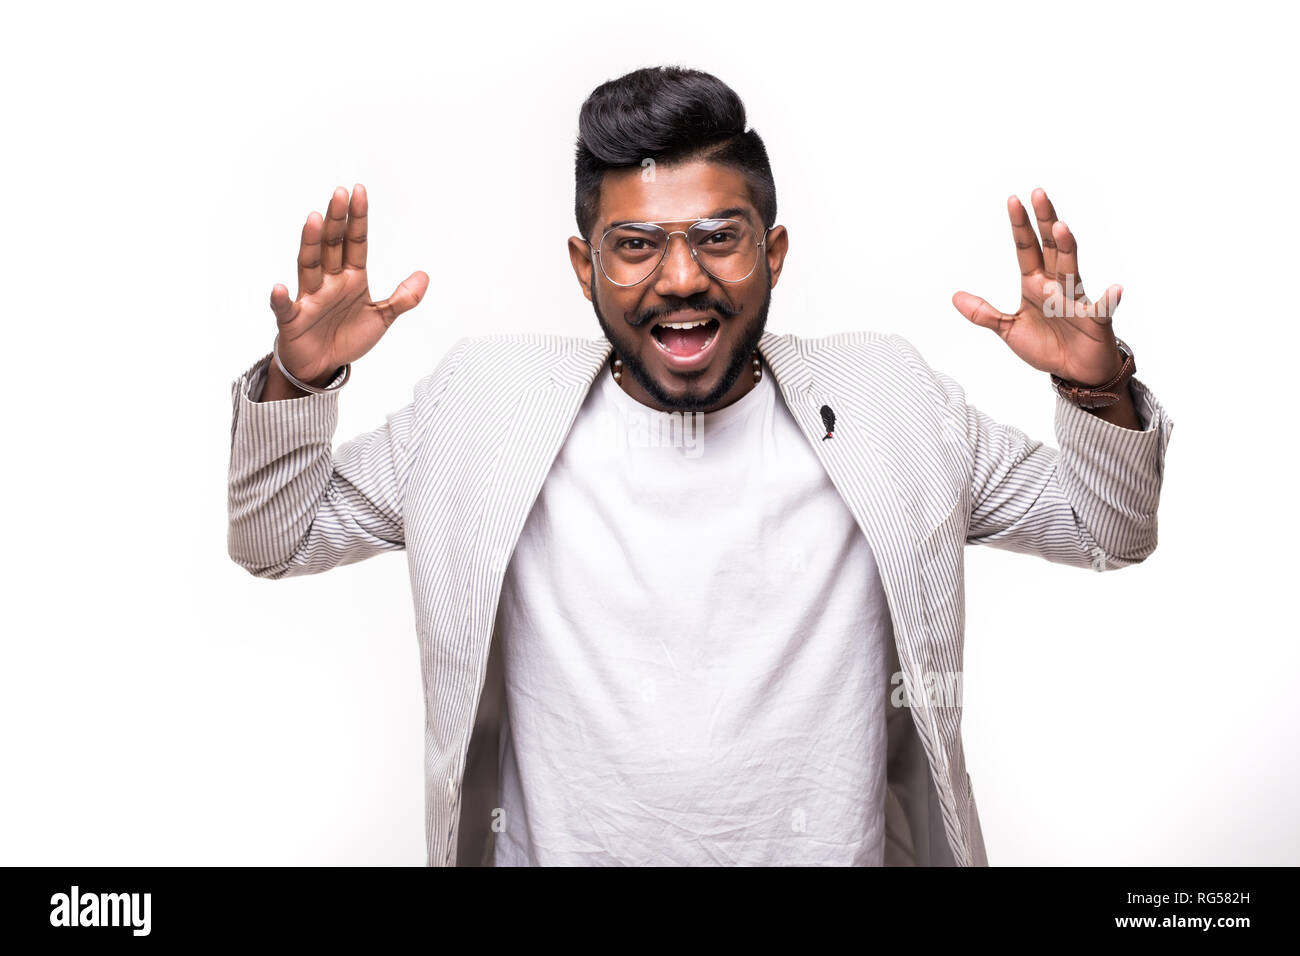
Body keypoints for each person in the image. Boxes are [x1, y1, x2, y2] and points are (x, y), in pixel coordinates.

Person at [227, 65, 1174, 866]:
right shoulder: (481, 410)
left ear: (773, 252)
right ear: (582, 265)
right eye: (634, 246)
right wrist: (301, 379)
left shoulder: (889, 403)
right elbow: (275, 536)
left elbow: (1107, 528)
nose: (681, 278)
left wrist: (1098, 388)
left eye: (718, 238)